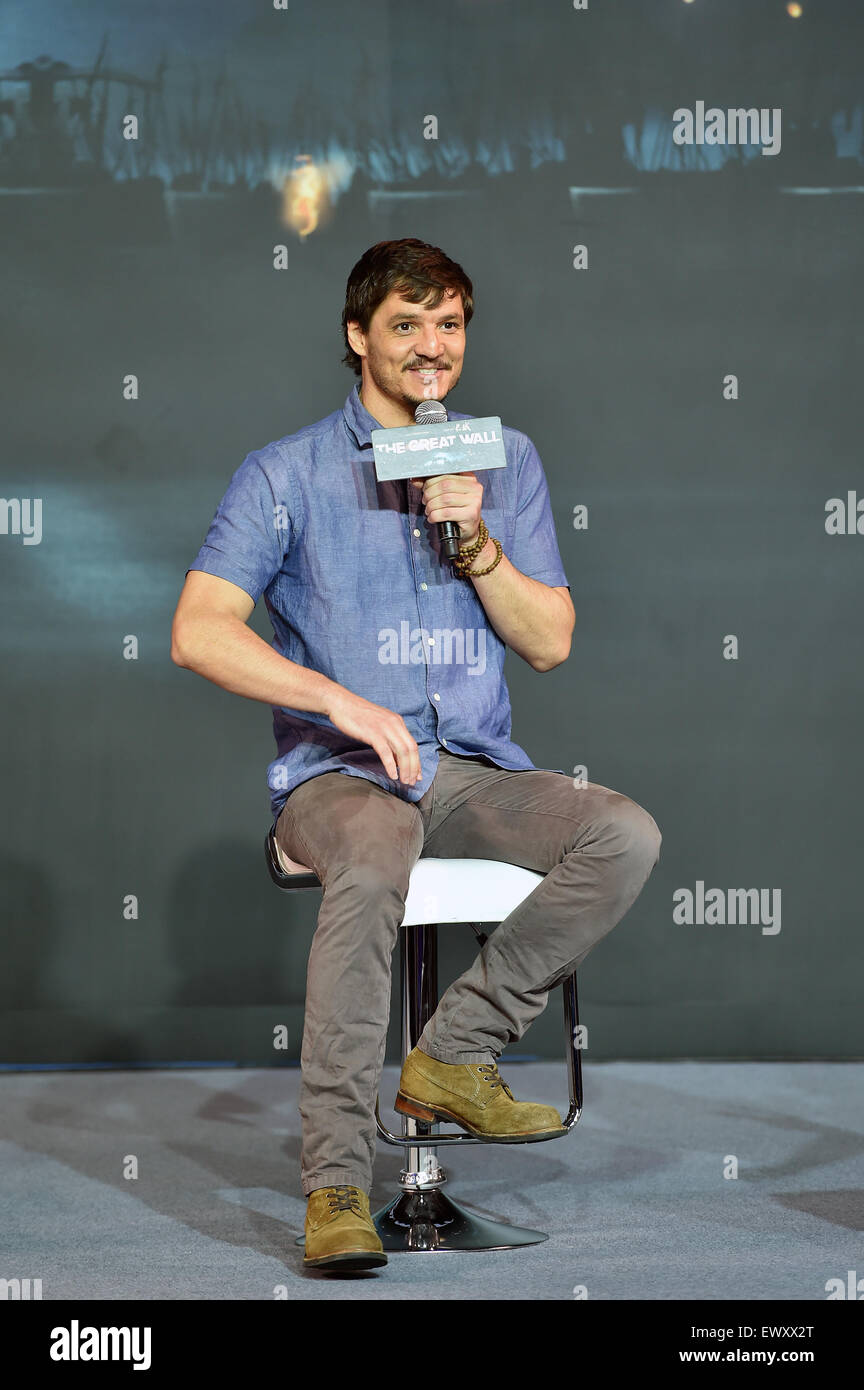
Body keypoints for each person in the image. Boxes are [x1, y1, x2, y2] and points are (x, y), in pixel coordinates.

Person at [171, 237, 662, 1272]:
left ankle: (452, 1054)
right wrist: (340, 702)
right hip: (339, 779)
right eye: (406, 324)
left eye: (449, 325)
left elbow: (551, 640)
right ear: (357, 337)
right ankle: (338, 1183)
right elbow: (199, 630)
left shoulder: (502, 457)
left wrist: (478, 540)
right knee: (380, 840)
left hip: (471, 766)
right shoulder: (287, 470)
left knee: (621, 833)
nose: (431, 346)